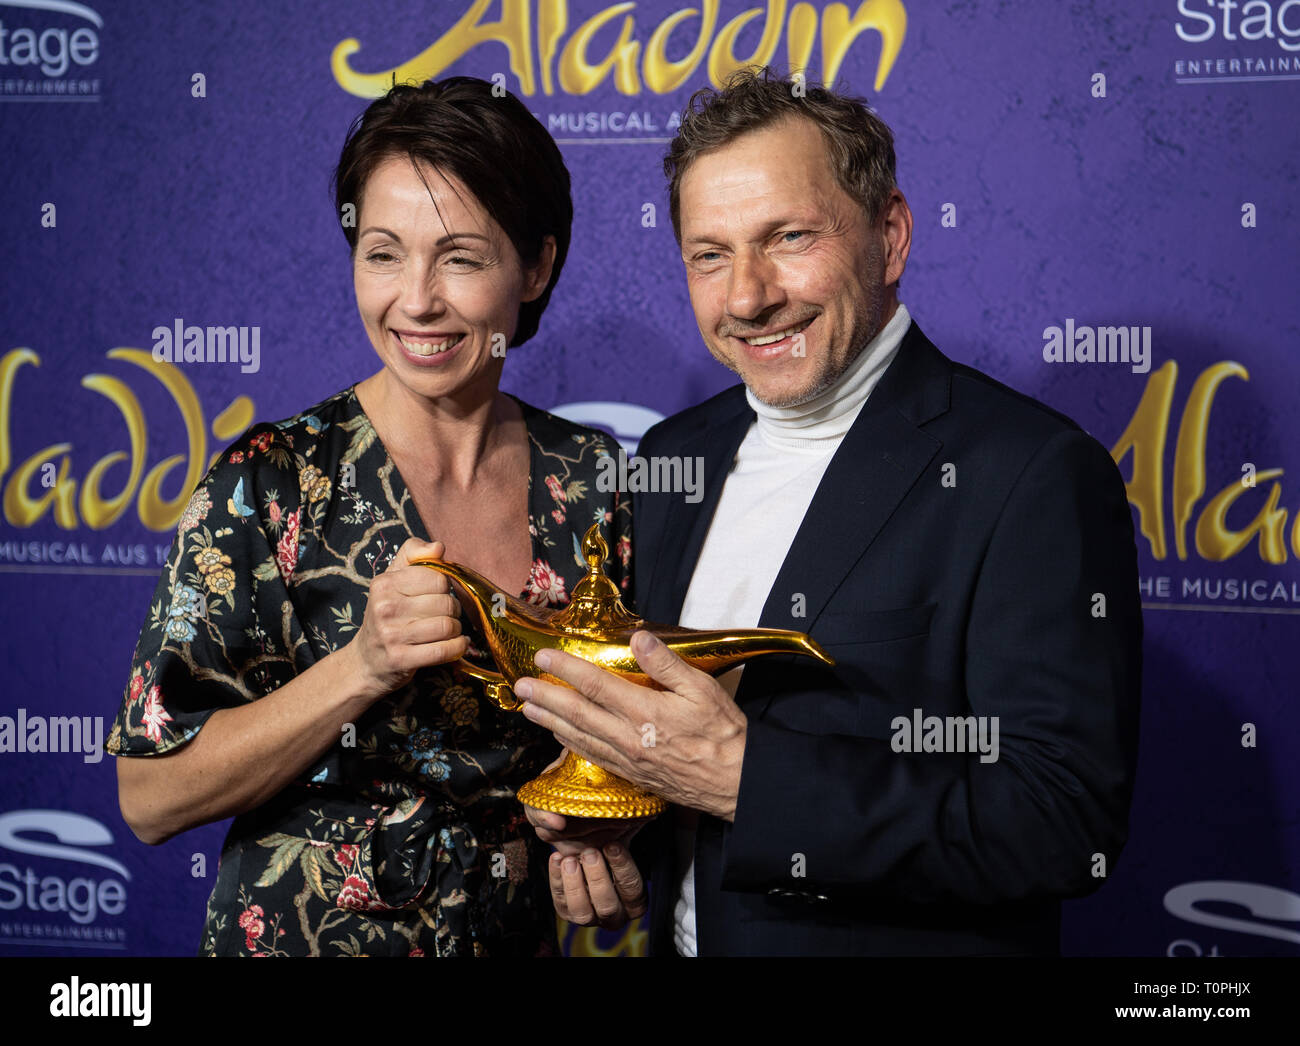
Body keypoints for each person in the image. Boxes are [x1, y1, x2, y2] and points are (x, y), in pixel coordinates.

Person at [518, 68, 1142, 955]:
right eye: (709, 254)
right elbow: (670, 747)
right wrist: (609, 814)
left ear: (889, 236)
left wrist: (745, 780)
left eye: (789, 237)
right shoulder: (672, 458)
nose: (747, 296)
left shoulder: (1029, 472)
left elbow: (1061, 821)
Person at [108, 76, 632, 957]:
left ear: (535, 266)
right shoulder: (272, 480)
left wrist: (603, 831)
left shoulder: (592, 479)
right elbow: (150, 799)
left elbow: (625, 736)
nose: (416, 300)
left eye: (460, 257)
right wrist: (362, 665)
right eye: (382, 253)